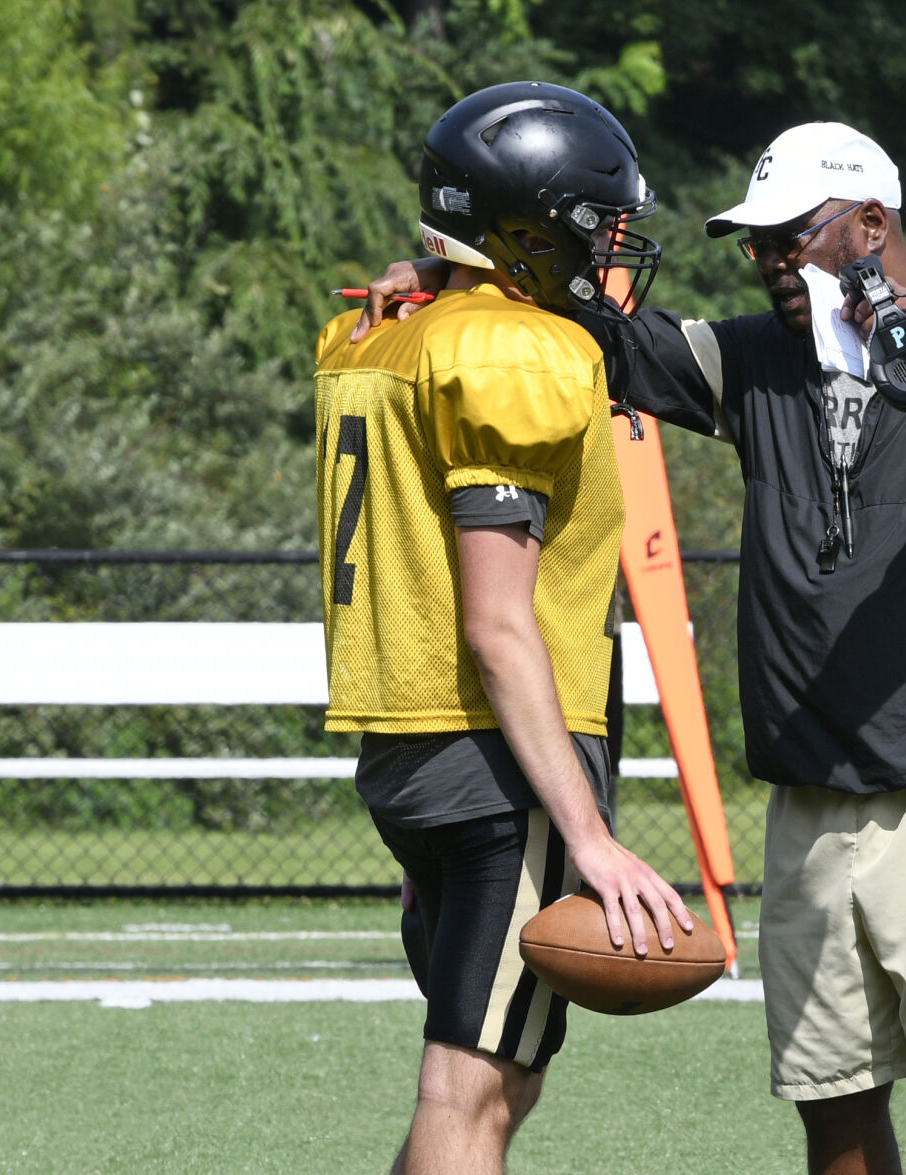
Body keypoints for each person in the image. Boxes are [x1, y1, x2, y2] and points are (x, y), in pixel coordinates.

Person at [357, 121, 906, 1175]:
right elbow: (603, 335)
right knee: (834, 1108)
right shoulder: (757, 354)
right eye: (752, 244)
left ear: (867, 223)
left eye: (785, 237)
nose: (763, 261)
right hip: (811, 792)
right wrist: (459, 275)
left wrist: (905, 338)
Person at [314, 81, 692, 1175]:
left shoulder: (370, 334)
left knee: (471, 1080)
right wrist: (588, 834)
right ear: (527, 228)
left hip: (409, 747)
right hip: (499, 757)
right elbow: (498, 622)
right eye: (592, 226)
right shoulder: (513, 355)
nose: (609, 252)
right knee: (470, 1089)